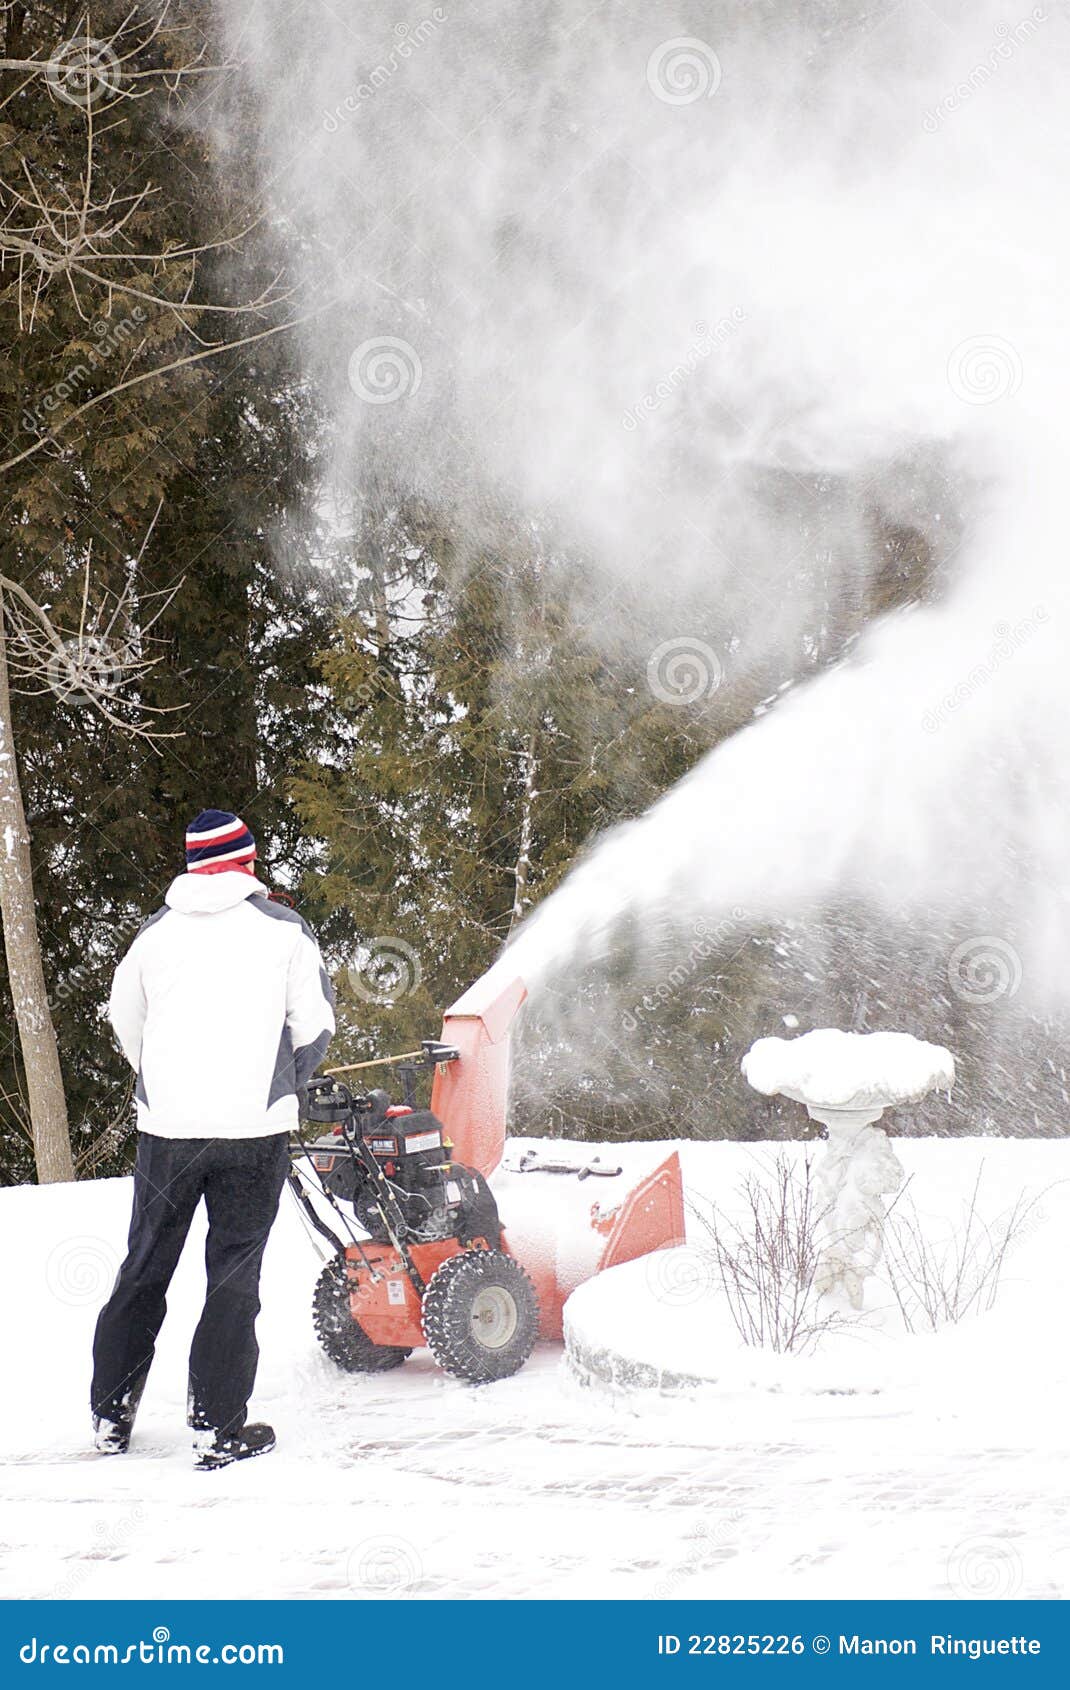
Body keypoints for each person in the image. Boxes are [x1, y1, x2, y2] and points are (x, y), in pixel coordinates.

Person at [90, 809, 335, 1471]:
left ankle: (110, 1417)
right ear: (246, 863)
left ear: (195, 865)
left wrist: (161, 1078)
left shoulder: (154, 934)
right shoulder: (284, 931)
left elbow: (123, 1018)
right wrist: (283, 1081)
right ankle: (217, 1428)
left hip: (167, 1132)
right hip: (253, 1134)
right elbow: (313, 1027)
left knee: (143, 1266)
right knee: (232, 1276)